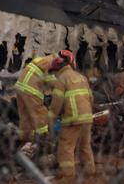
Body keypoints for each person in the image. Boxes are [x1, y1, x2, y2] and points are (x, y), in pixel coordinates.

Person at [48, 49, 95, 181]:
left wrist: (50, 120)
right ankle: (90, 173)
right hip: (87, 118)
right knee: (85, 146)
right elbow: (91, 98)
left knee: (66, 148)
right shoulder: (82, 77)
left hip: (72, 119)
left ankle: (68, 176)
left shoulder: (61, 79)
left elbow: (56, 103)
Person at [15, 53, 58, 151]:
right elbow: (52, 82)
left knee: (25, 116)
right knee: (40, 114)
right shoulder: (52, 63)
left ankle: (25, 139)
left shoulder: (41, 60)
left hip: (20, 87)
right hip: (31, 89)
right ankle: (44, 139)